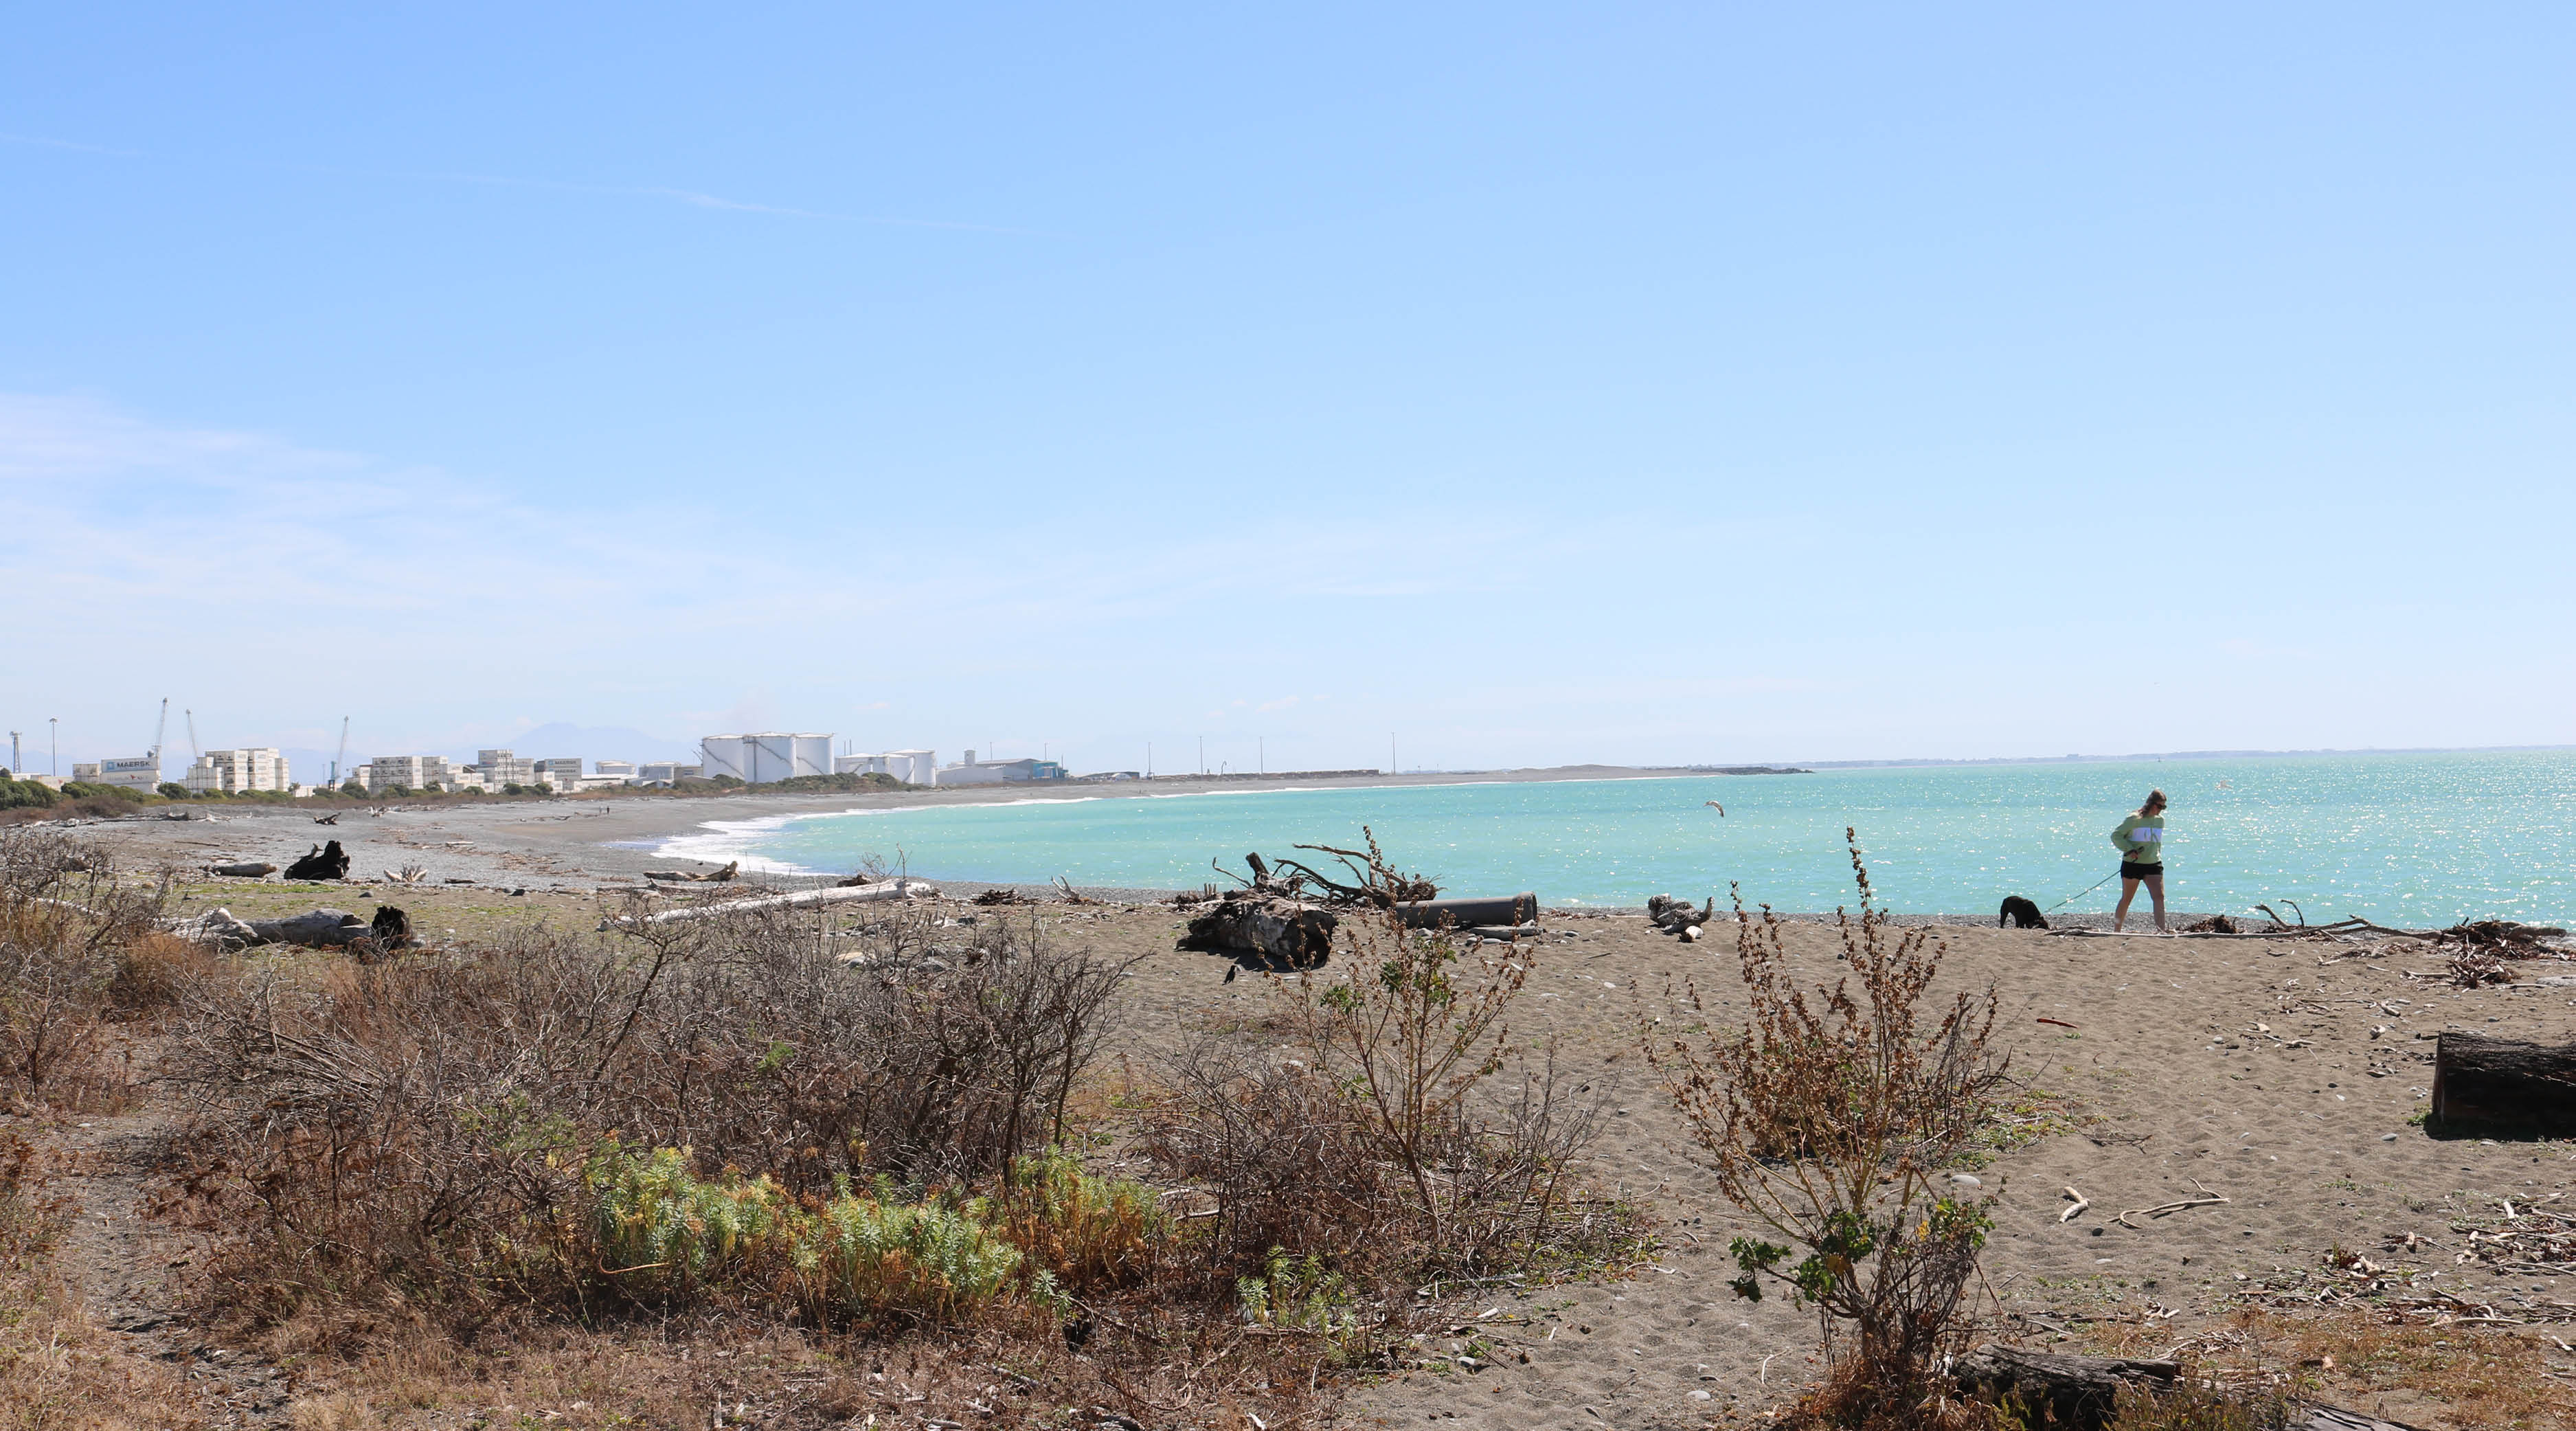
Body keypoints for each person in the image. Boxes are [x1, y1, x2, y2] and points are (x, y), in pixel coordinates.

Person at [2110, 789, 2169, 932]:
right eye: (2159, 806)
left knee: (2159, 897)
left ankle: (2161, 931)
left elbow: (2157, 844)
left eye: (2164, 807)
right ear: (2150, 803)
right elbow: (2116, 836)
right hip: (2133, 864)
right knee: (2127, 898)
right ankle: (2117, 930)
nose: (2161, 810)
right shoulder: (2134, 819)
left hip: (2154, 864)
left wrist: (2157, 855)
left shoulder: (2160, 821)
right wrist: (2129, 849)